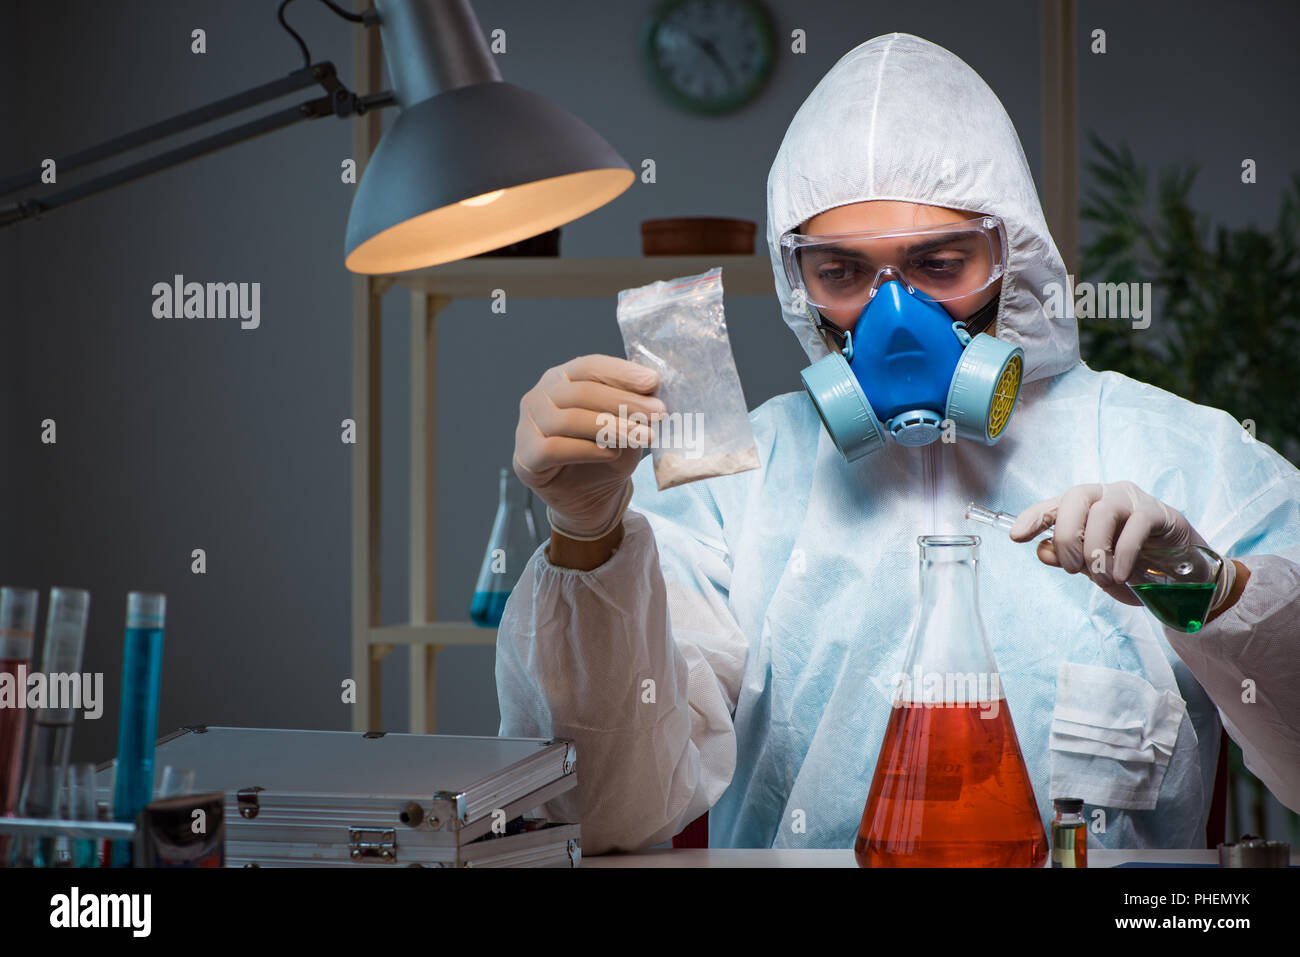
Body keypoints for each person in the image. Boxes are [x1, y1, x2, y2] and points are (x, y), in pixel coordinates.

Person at [498, 33, 1300, 854]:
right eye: (842, 273)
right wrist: (587, 537)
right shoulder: (736, 476)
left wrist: (1211, 588)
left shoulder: (1176, 451)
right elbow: (606, 811)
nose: (895, 319)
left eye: (942, 262)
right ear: (796, 284)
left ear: (1011, 257)